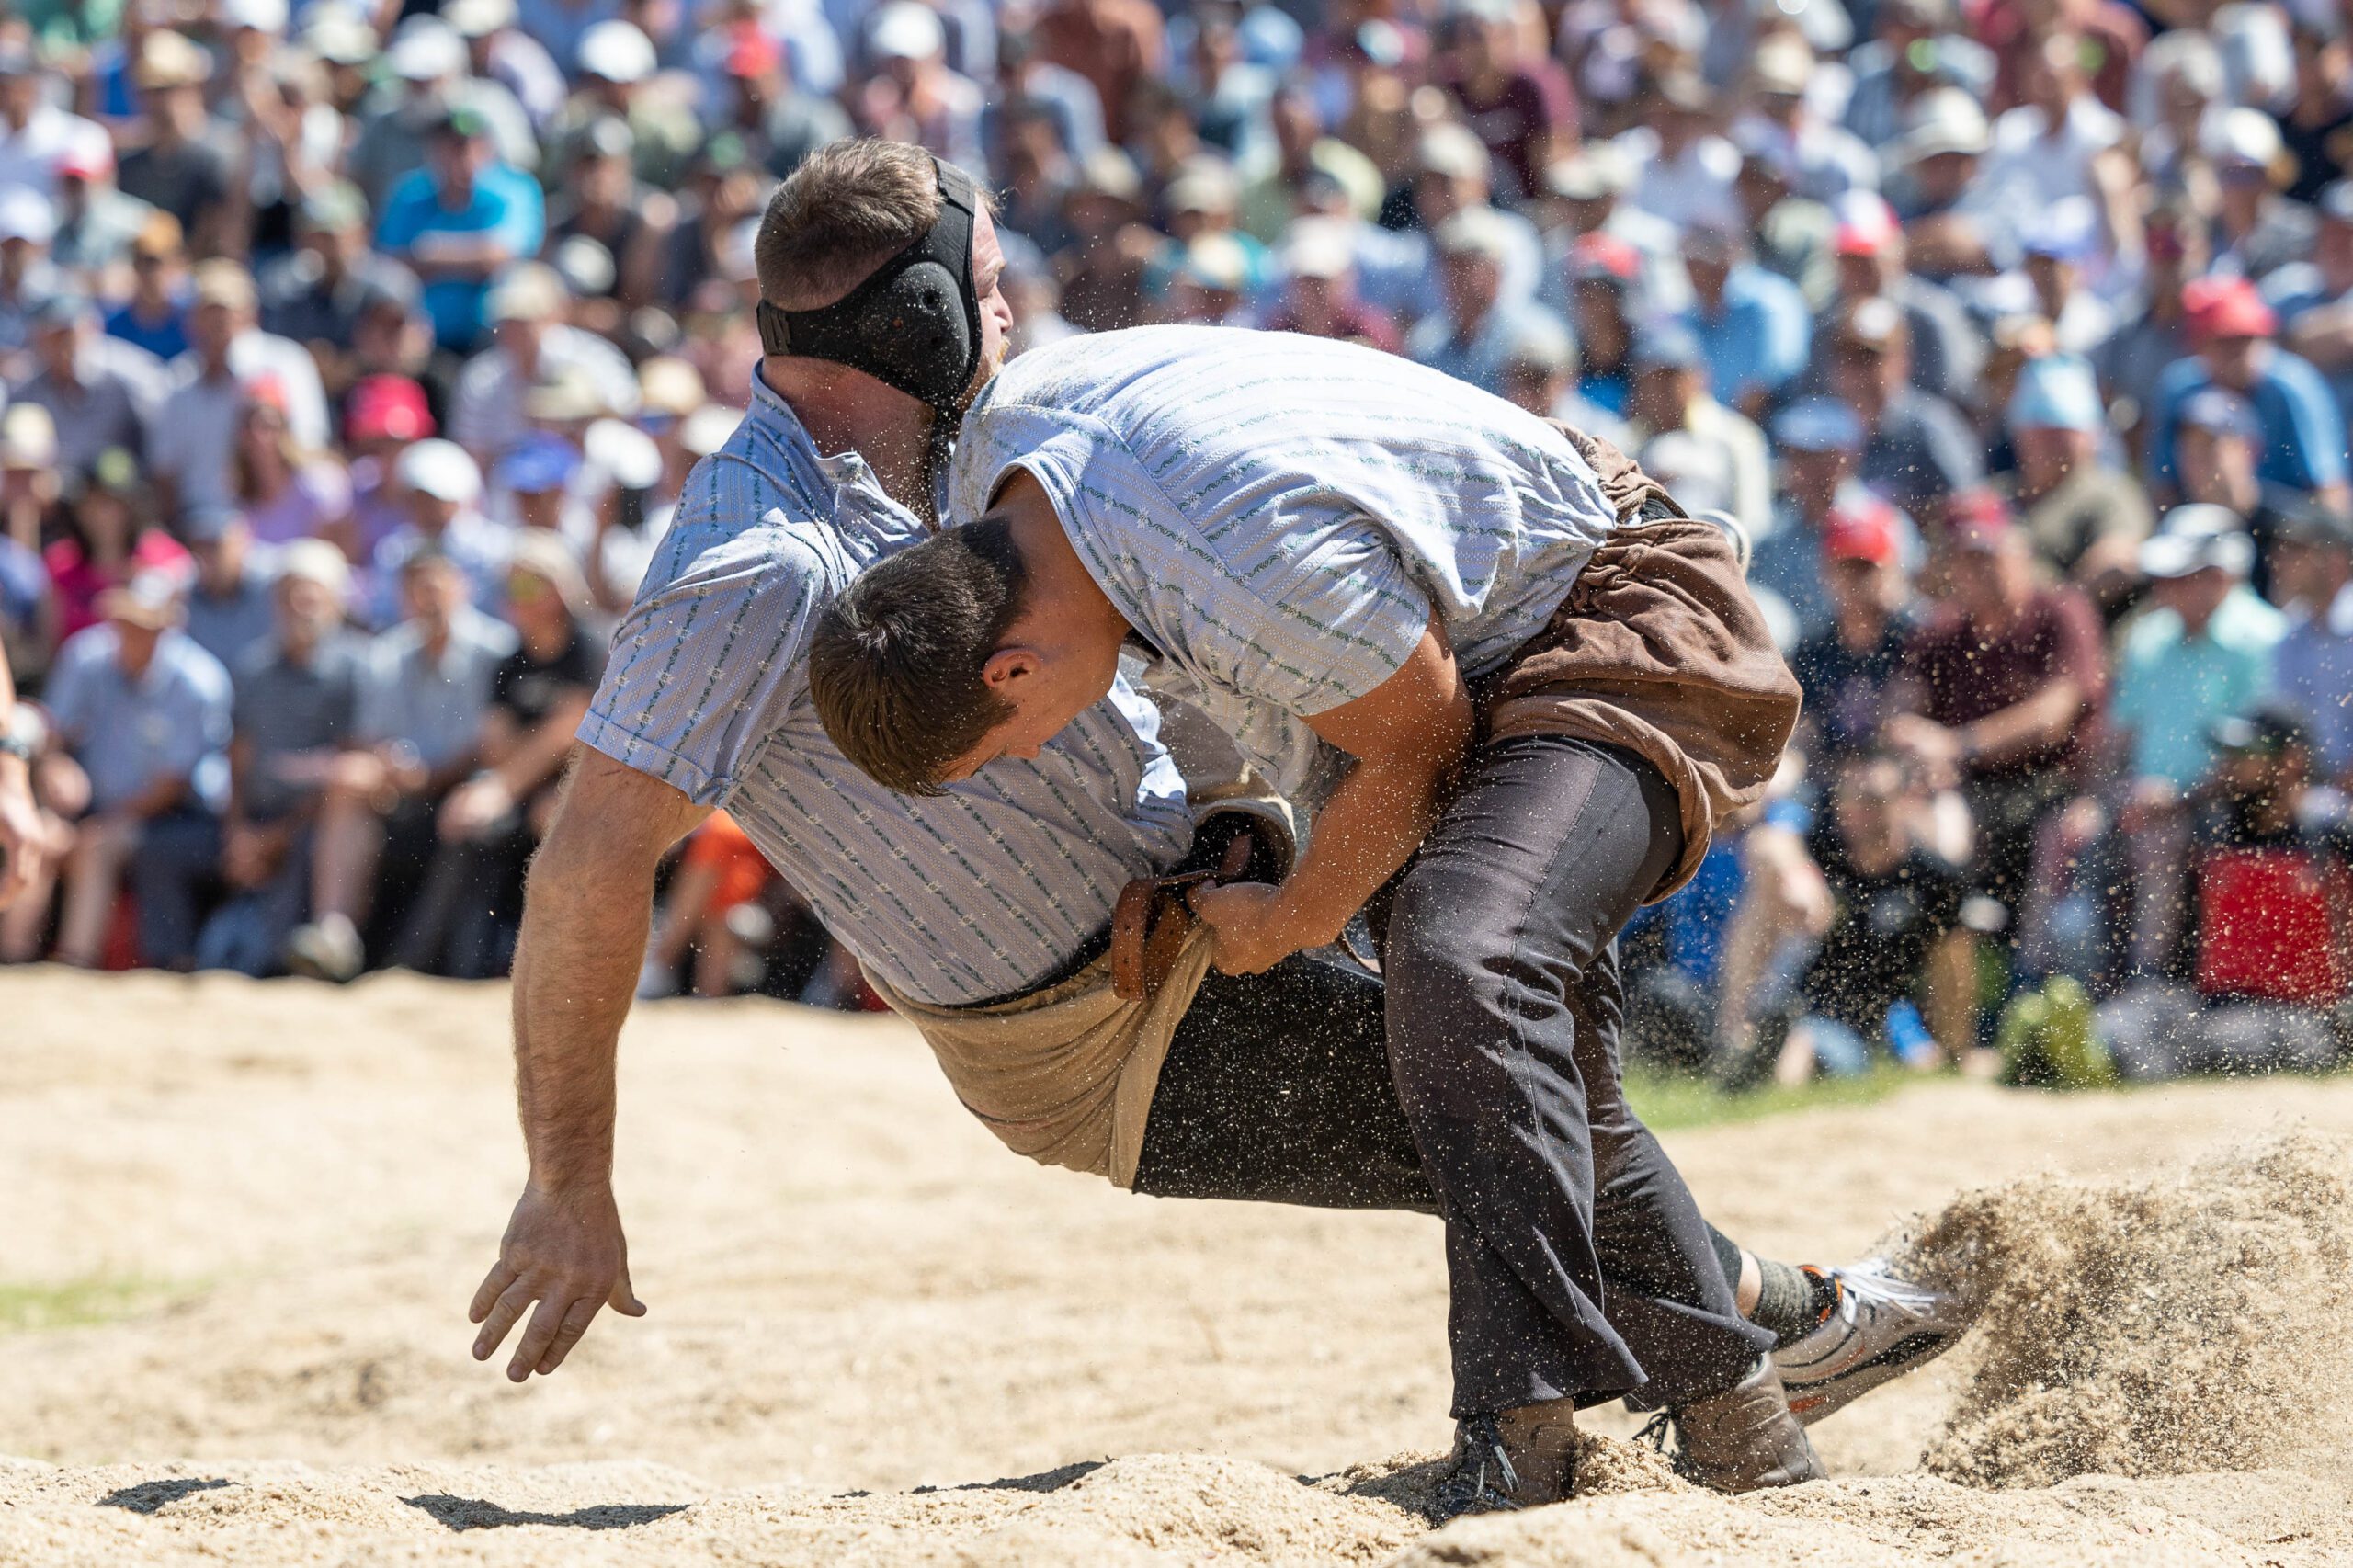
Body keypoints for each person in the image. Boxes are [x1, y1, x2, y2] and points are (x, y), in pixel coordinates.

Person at [463, 142, 1962, 1501]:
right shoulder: (759, 560)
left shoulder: (982, 467)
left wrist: (1247, 815)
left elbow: (1176, 656)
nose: (1014, 311)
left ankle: (1772, 1341)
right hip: (1096, 1026)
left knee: (1505, 1061)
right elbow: (588, 858)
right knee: (1500, 1074)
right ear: (923, 322)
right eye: (987, 288)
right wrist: (571, 1173)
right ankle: (1770, 1354)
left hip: (1183, 919)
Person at [807, 309, 1834, 1504]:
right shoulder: (1010, 501)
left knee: (1466, 959)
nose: (1022, 755)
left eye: (1002, 749)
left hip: (1600, 601)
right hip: (1438, 645)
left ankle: (1519, 1435)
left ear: (1012, 671)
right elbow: (1231, 680)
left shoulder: (1228, 552)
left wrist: (1290, 915)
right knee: (1514, 1065)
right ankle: (1761, 1419)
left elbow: (1423, 739)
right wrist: (1237, 827)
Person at [38, 574, 232, 969]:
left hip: (180, 817)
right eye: (124, 622)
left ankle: (75, 961)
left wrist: (100, 825)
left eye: (143, 624)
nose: (130, 633)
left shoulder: (198, 682)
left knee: (98, 846)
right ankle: (16, 956)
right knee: (38, 834)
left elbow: (171, 787)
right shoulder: (86, 657)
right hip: (98, 808)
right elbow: (52, 734)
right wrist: (54, 768)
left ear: (166, 628)